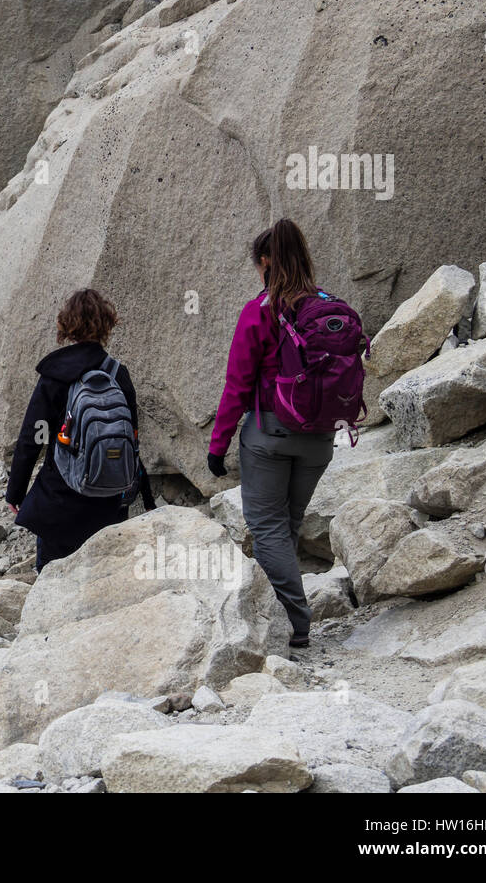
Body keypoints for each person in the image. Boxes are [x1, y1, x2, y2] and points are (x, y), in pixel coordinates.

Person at [209, 218, 336, 650]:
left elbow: (237, 385)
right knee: (289, 525)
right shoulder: (327, 306)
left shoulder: (260, 311)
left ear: (265, 262)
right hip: (320, 437)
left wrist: (218, 444)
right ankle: (285, 614)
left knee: (267, 529)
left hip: (270, 434)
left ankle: (295, 626)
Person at [6, 288, 156, 572]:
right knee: (100, 578)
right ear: (107, 324)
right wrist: (143, 494)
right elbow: (131, 438)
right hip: (107, 501)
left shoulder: (55, 374)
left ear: (66, 326)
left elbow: (32, 437)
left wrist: (16, 491)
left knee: (53, 577)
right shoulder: (116, 373)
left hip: (60, 499)